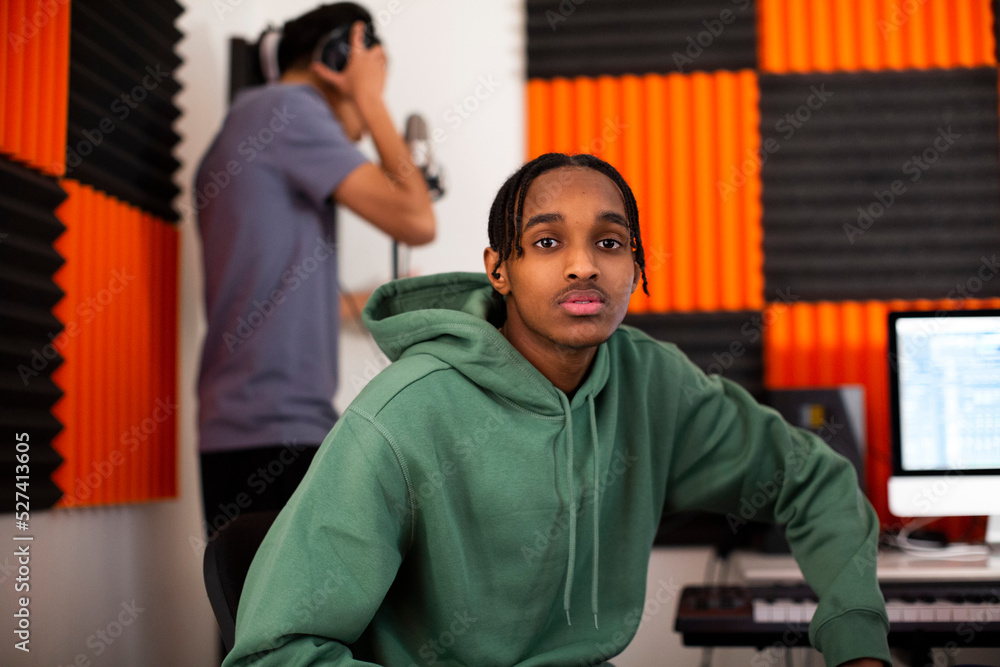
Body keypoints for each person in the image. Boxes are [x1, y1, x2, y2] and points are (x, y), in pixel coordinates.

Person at [222, 153, 889, 666]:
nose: (582, 266)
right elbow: (272, 651)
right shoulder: (400, 418)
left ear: (636, 265)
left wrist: (857, 641)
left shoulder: (653, 382)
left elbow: (811, 476)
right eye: (546, 242)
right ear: (498, 269)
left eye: (609, 242)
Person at [195, 3, 435, 538]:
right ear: (337, 58)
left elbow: (267, 289)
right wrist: (373, 101)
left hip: (253, 428)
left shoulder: (263, 119)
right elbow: (417, 219)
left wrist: (357, 302)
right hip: (270, 430)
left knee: (260, 618)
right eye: (373, 72)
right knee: (289, 620)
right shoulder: (288, 110)